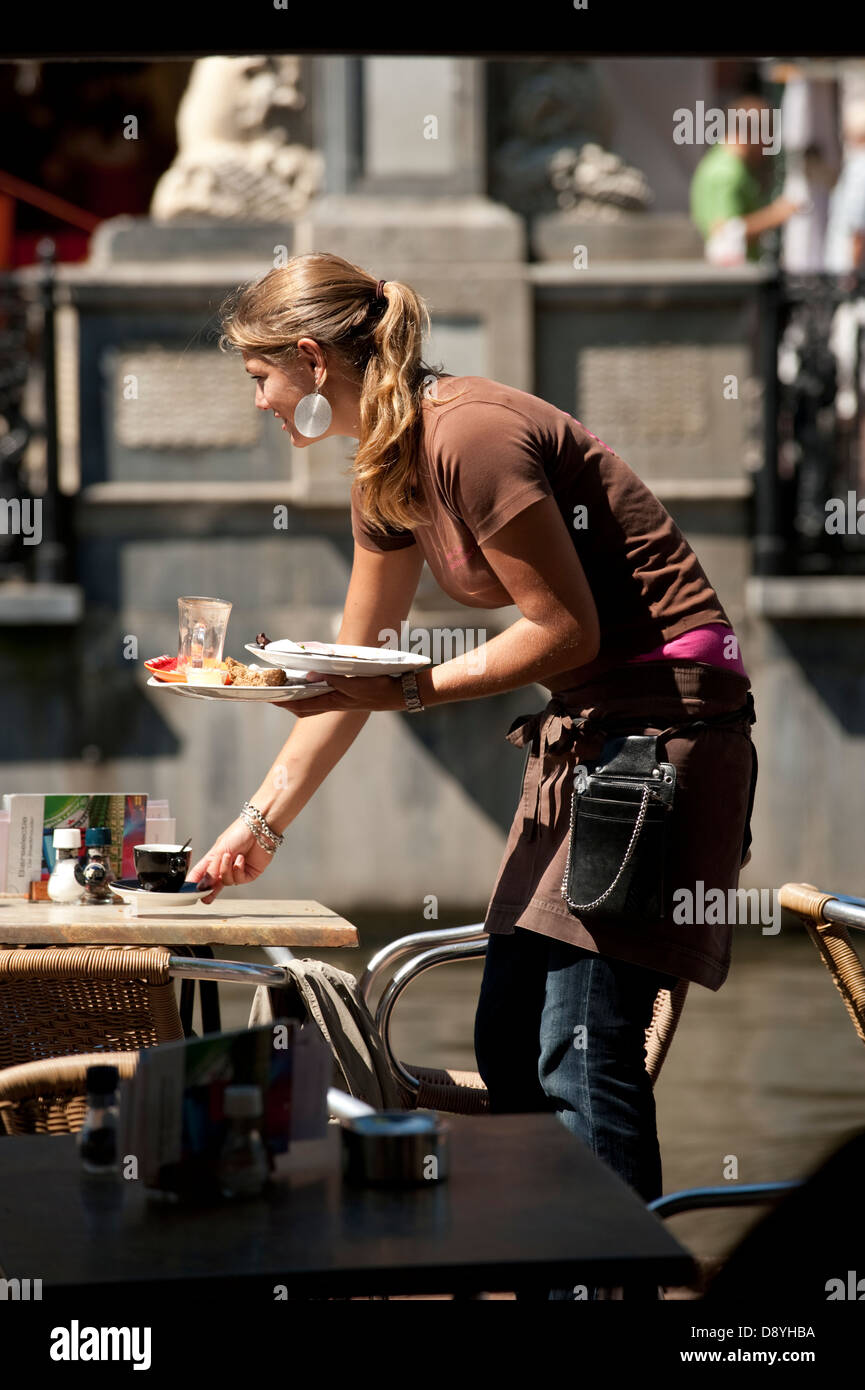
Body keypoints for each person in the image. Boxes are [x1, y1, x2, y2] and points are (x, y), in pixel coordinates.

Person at [190, 252, 758, 1298]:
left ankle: (616, 1286)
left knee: (578, 1048)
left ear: (311, 360)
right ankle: (557, 1263)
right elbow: (361, 657)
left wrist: (410, 692)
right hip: (588, 739)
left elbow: (561, 626)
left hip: (664, 742)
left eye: (260, 376)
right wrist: (255, 824)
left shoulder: (471, 434)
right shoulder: (387, 468)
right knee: (509, 1039)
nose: (260, 400)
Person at [690, 91, 804, 265]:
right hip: (732, 277)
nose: (769, 146)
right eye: (768, 137)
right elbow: (723, 231)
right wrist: (775, 215)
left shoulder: (727, 163)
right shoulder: (727, 172)